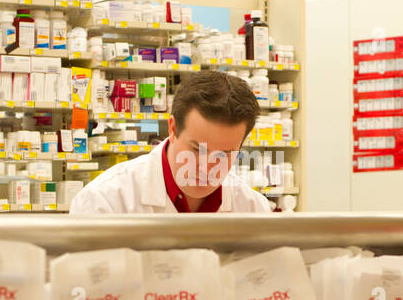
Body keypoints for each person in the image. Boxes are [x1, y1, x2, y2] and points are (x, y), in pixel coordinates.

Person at [69, 70, 272, 214]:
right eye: (197, 150)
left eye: (225, 154)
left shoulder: (254, 209)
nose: (207, 167)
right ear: (173, 129)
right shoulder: (104, 201)